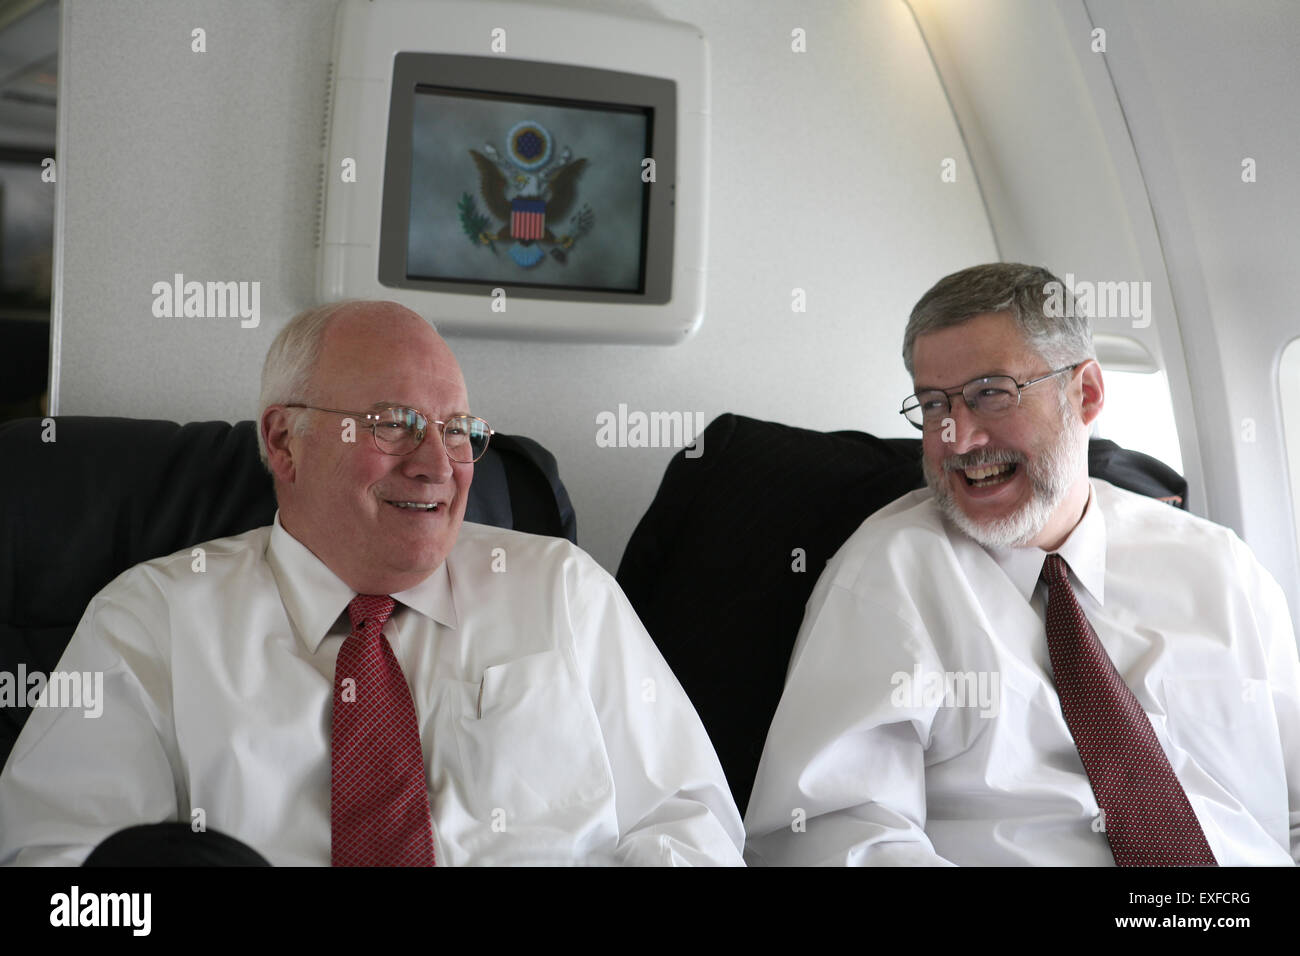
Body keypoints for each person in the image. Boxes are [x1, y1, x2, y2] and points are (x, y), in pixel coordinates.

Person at [0, 300, 744, 866]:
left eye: (458, 430)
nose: (438, 463)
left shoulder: (561, 591)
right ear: (284, 442)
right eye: (392, 423)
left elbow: (694, 822)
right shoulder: (151, 621)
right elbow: (66, 878)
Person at [743, 263, 1300, 866]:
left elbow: (1290, 808)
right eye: (934, 405)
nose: (956, 438)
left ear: (1085, 394)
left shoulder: (1218, 568)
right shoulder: (888, 576)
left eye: (991, 394)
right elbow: (833, 838)